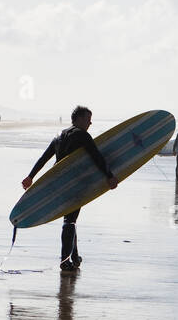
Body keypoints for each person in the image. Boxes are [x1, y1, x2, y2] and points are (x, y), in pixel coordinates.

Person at [21, 105, 119, 271]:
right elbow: (96, 156)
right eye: (88, 119)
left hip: (58, 184)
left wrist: (31, 177)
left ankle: (73, 256)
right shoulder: (83, 135)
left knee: (70, 219)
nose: (90, 123)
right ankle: (65, 260)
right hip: (75, 183)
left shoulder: (59, 135)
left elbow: (44, 158)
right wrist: (109, 176)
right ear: (79, 119)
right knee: (70, 220)